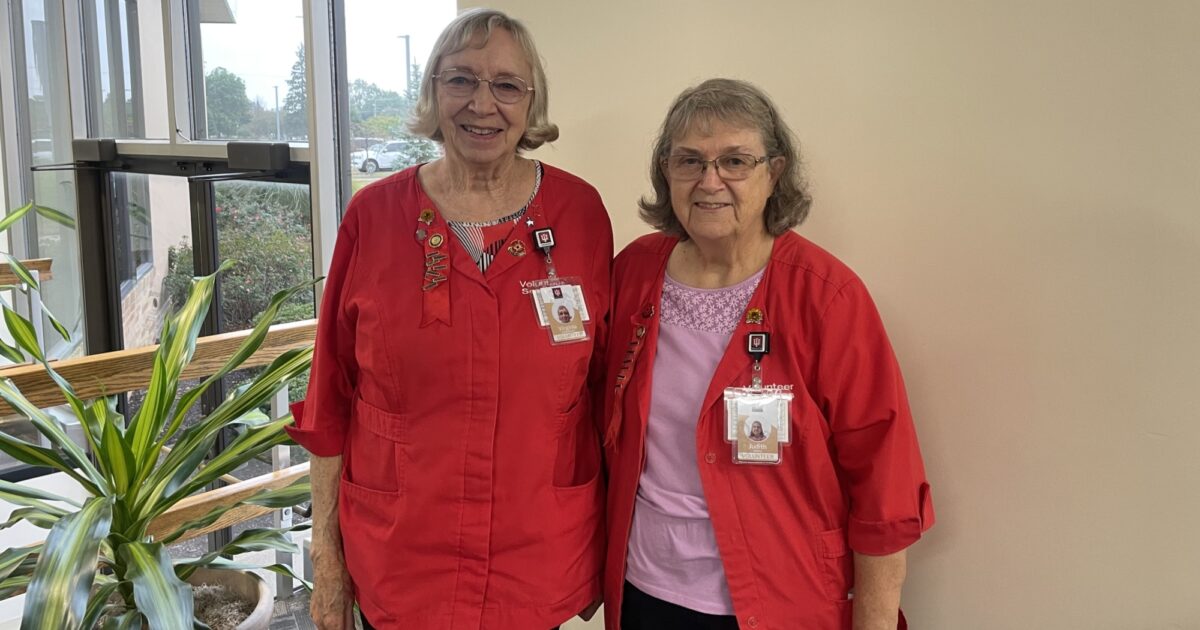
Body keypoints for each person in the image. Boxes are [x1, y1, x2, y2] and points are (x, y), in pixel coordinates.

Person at [286, 9, 610, 629]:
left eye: (506, 85)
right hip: (402, 560)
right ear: (434, 91)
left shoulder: (581, 213)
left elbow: (601, 398)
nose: (481, 104)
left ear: (531, 101)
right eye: (460, 79)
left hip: (536, 556)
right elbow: (329, 403)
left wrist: (598, 552)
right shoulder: (373, 216)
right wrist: (327, 566)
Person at [602, 79, 934, 629]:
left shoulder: (826, 297)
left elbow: (885, 485)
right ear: (667, 170)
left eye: (735, 161)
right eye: (689, 161)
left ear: (774, 172)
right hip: (646, 592)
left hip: (782, 601)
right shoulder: (634, 273)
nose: (710, 182)